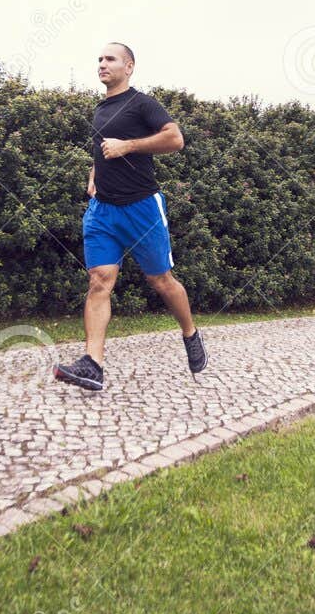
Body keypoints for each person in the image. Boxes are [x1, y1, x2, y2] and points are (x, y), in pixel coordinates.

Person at [53, 42, 207, 390]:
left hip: (141, 208)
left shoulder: (143, 103)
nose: (102, 64)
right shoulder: (100, 110)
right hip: (103, 211)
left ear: (130, 66)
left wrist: (129, 146)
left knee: (162, 282)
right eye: (99, 59)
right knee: (99, 280)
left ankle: (190, 333)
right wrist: (94, 175)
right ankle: (93, 364)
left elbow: (175, 139)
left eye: (110, 59)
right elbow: (101, 150)